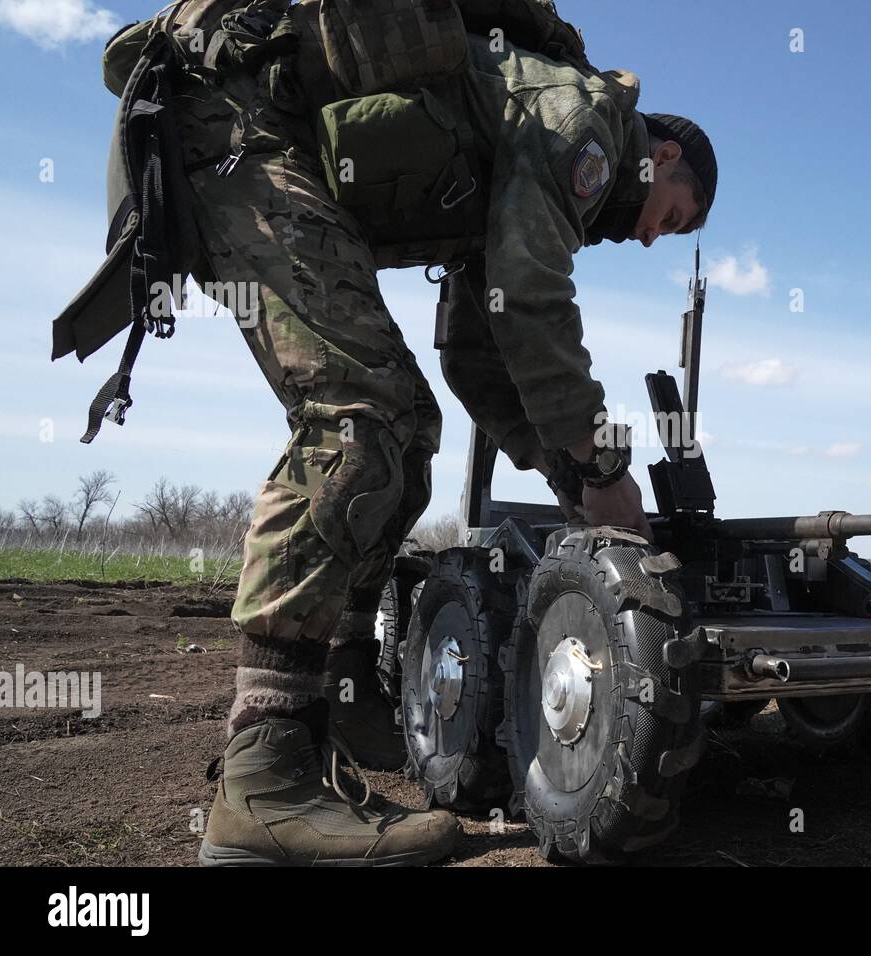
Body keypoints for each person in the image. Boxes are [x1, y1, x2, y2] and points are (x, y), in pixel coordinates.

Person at [172, 7, 717, 866]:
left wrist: (568, 478)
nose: (653, 235)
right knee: (361, 419)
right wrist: (601, 464)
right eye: (673, 215)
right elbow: (532, 295)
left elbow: (478, 349)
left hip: (250, 129)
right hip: (235, 119)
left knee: (408, 428)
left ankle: (335, 692)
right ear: (668, 155)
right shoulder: (586, 121)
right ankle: (263, 780)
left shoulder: (509, 135)